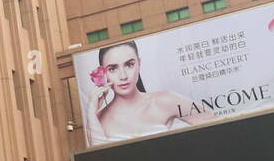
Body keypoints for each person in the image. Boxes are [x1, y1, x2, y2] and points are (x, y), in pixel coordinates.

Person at [82, 41, 216, 145]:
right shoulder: (97, 119)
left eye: (129, 65)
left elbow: (215, 125)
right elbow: (100, 160)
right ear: (104, 73)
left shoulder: (164, 100)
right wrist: (91, 112)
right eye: (113, 69)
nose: (123, 76)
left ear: (139, 64)